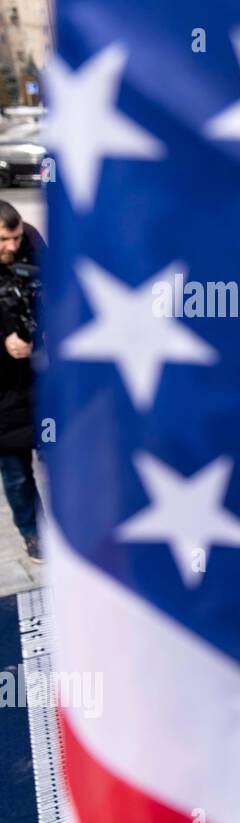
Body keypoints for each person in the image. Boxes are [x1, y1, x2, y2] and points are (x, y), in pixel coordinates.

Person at [0, 201, 44, 563]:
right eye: (2, 240)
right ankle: (33, 533)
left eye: (15, 238)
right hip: (4, 393)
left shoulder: (32, 242)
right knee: (16, 474)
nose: (12, 247)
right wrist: (4, 339)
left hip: (44, 382)